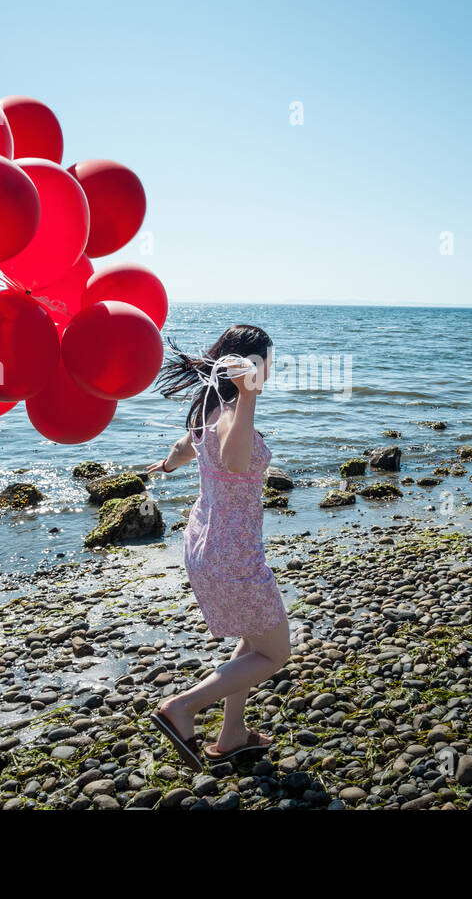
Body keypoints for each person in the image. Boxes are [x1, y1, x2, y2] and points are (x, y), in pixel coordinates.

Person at [145, 324, 291, 770]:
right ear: (249, 365)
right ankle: (183, 707)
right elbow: (234, 460)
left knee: (253, 635)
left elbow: (185, 445)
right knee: (273, 653)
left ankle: (232, 734)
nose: (270, 370)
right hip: (232, 554)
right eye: (267, 362)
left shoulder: (211, 406)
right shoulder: (234, 408)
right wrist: (249, 397)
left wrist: (168, 465)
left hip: (205, 543)